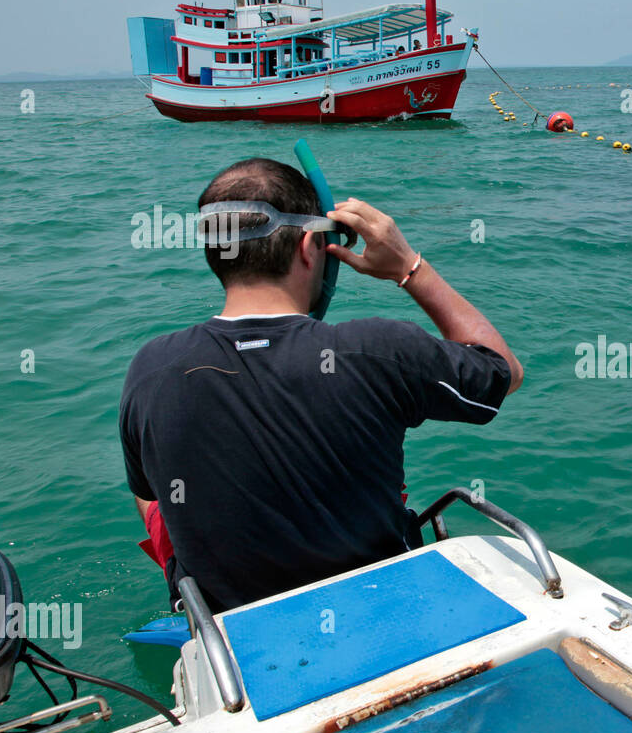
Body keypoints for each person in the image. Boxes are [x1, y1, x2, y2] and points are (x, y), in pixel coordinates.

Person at [119, 158, 522, 612]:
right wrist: (409, 267)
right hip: (379, 612)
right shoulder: (378, 349)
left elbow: (151, 496)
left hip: (229, 639)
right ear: (310, 247)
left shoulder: (151, 368)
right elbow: (503, 370)